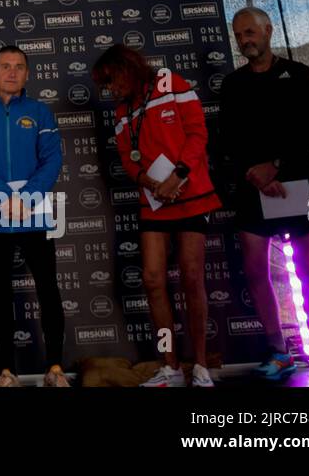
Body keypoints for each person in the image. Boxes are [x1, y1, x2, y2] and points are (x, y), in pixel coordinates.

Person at [219, 7, 309, 385]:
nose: (245, 41)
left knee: (308, 269)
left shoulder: (298, 73)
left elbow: (305, 129)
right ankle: (278, 353)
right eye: (240, 35)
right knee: (256, 269)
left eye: (250, 32)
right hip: (251, 187)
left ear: (268, 30)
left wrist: (275, 166)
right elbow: (229, 138)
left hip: (298, 183)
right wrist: (256, 175)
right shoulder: (232, 84)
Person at [93, 43, 220, 388]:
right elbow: (126, 158)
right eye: (106, 86)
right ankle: (171, 365)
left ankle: (201, 365)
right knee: (152, 280)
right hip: (155, 201)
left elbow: (197, 133)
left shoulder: (170, 81)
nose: (111, 89)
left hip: (191, 194)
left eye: (113, 80)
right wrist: (145, 179)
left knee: (192, 278)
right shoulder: (121, 111)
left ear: (129, 68)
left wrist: (178, 175)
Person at [0, 44, 67, 387]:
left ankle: (55, 369)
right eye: (5, 66)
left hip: (35, 209)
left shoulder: (40, 112)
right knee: (0, 293)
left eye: (19, 66)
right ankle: (7, 372)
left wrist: (29, 197)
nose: (11, 72)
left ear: (27, 73)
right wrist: (6, 197)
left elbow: (51, 159)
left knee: (48, 288)